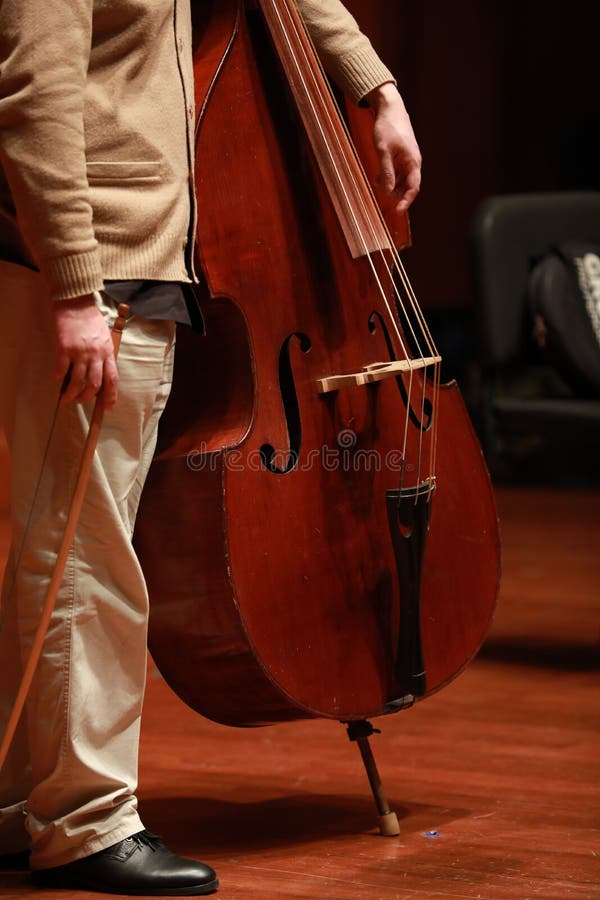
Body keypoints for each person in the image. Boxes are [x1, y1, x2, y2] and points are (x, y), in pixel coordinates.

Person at [0, 0, 421, 894]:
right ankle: (86, 819)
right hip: (96, 265)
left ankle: (26, 801)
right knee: (88, 552)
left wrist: (374, 86)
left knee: (64, 542)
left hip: (131, 255)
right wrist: (77, 288)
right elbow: (34, 94)